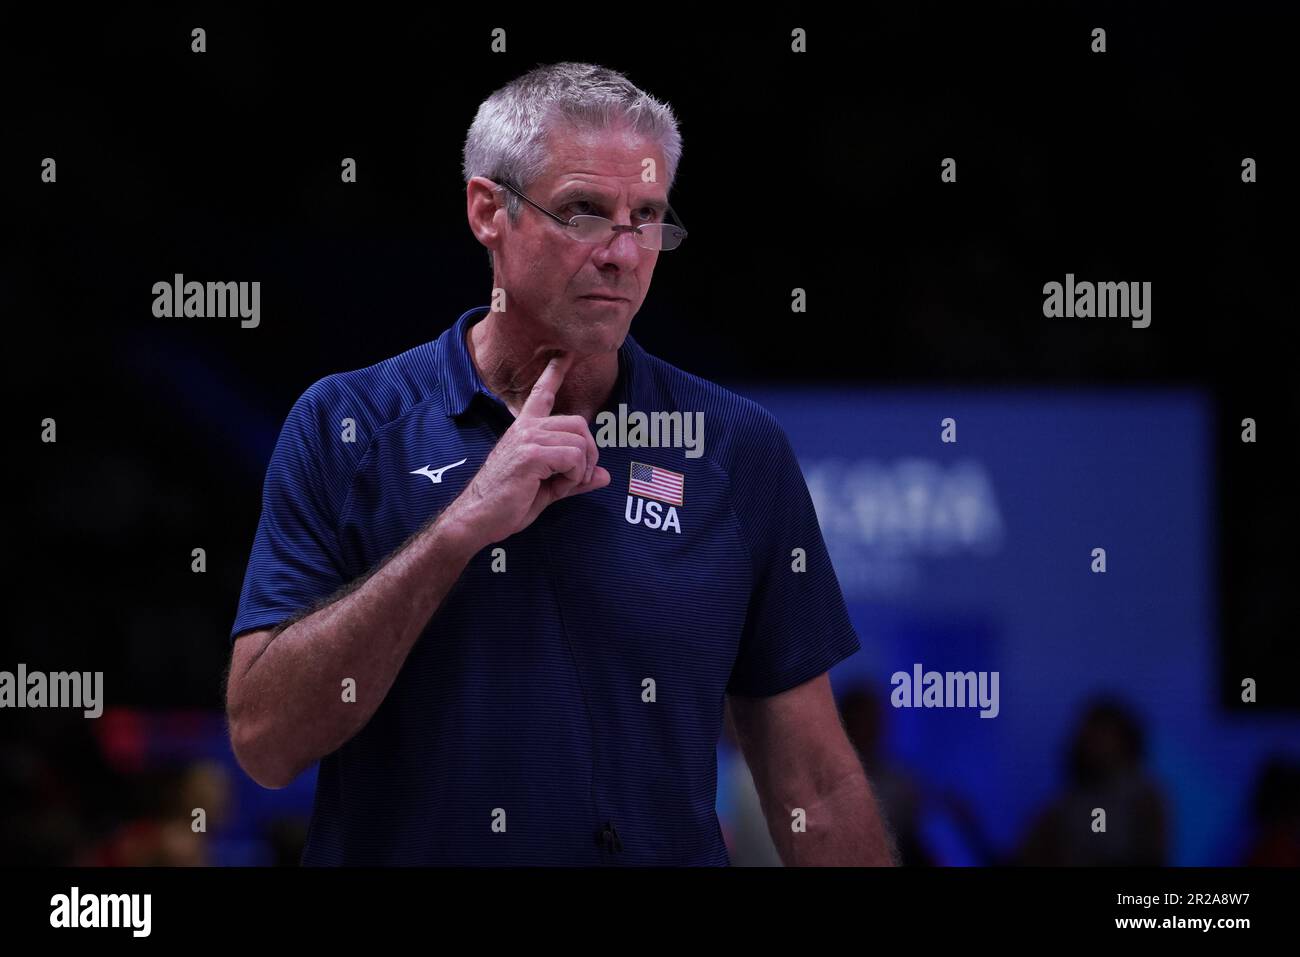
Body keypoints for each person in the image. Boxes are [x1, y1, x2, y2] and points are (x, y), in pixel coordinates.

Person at [225, 61, 895, 866]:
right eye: (584, 211)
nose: (622, 253)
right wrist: (459, 529)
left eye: (645, 217)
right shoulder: (348, 425)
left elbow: (816, 788)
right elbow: (264, 742)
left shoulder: (737, 449)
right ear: (488, 210)